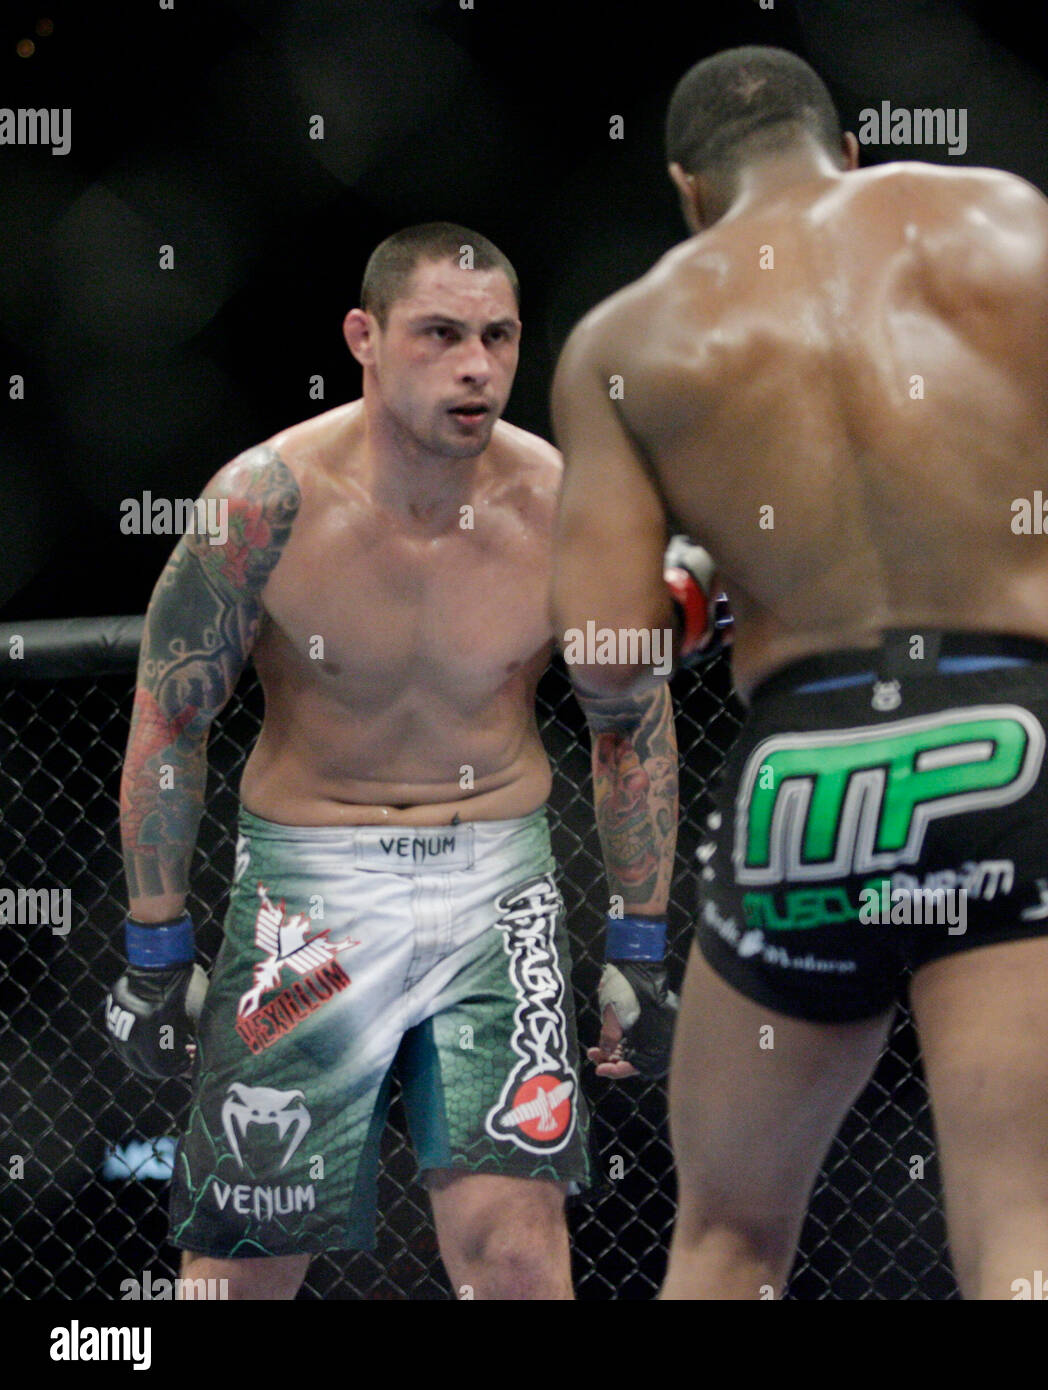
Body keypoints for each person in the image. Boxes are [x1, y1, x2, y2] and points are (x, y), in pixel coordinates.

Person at [549, 46, 1048, 1299]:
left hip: (806, 777)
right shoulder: (1007, 217)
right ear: (852, 147)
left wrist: (705, 585)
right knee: (1036, 1255)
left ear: (688, 191)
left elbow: (606, 657)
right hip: (1006, 738)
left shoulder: (627, 335)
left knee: (725, 1244)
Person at [104, 222, 680, 1300]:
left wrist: (641, 946)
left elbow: (631, 722)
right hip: (309, 898)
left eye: (499, 336)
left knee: (516, 1253)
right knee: (241, 1265)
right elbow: (171, 718)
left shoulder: (564, 505)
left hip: (496, 887)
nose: (477, 365)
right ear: (364, 337)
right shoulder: (261, 504)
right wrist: (152, 943)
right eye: (441, 334)